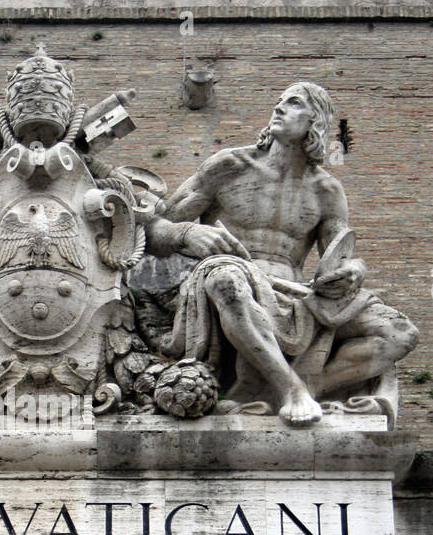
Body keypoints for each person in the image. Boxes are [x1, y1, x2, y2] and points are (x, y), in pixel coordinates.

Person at [160, 81, 417, 424]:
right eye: (278, 102)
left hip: (296, 293)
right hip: (228, 272)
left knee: (400, 332)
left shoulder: (326, 191)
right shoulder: (230, 166)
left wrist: (354, 269)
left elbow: (337, 256)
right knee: (226, 279)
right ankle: (289, 389)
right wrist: (187, 231)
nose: (278, 108)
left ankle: (306, 388)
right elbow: (153, 228)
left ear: (316, 122)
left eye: (293, 103)